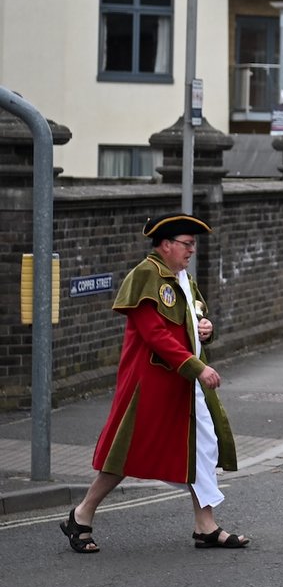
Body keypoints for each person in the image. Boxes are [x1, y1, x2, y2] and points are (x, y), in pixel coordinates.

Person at [62, 213, 246, 553]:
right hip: (149, 386)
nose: (192, 251)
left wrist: (206, 327)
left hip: (181, 384)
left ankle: (205, 526)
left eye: (193, 245)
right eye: (187, 244)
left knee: (200, 449)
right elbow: (155, 335)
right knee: (126, 454)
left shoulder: (182, 278)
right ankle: (82, 514)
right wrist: (197, 367)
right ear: (165, 245)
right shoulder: (146, 276)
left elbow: (194, 317)